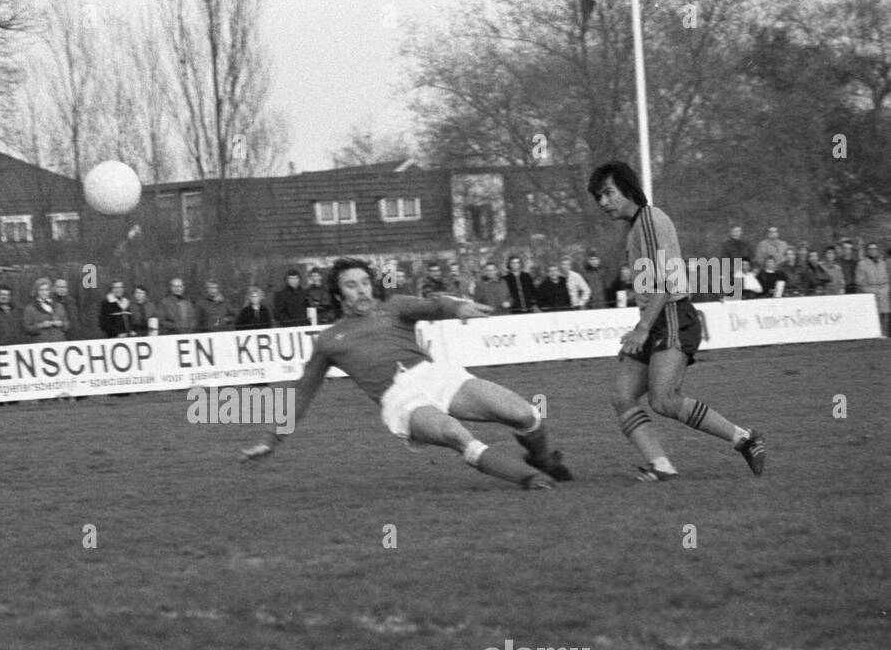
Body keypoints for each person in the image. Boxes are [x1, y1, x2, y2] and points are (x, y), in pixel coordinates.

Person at [240, 258, 571, 489]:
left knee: (522, 413)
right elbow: (302, 394)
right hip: (400, 399)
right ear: (339, 296)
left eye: (366, 283)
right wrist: (272, 440)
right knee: (455, 434)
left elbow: (434, 304)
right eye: (352, 286)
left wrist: (457, 307)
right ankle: (529, 479)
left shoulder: (394, 306)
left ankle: (542, 459)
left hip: (434, 374)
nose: (362, 291)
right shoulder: (329, 340)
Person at [588, 161, 764, 481]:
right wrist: (638, 335)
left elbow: (666, 282)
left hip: (671, 315)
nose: (602, 203)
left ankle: (745, 438)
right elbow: (650, 285)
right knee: (622, 396)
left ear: (628, 189)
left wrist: (642, 329)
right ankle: (661, 466)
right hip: (656, 318)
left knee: (664, 399)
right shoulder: (636, 228)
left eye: (608, 193)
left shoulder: (651, 220)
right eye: (598, 197)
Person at [854, 242, 890, 336]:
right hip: (870, 293)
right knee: (873, 316)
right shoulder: (862, 264)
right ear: (867, 251)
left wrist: (885, 289)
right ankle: (874, 335)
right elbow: (859, 282)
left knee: (885, 315)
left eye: (875, 249)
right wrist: (870, 291)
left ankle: (884, 334)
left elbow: (886, 278)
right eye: (871, 249)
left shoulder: (882, 263)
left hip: (883, 292)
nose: (873, 251)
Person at [22, 276, 70, 342]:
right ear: (36, 291)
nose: (44, 293)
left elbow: (67, 325)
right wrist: (41, 325)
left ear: (50, 290)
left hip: (59, 343)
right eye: (41, 290)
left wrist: (61, 324)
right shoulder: (30, 309)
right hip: (41, 345)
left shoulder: (59, 306)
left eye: (46, 290)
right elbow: (27, 328)